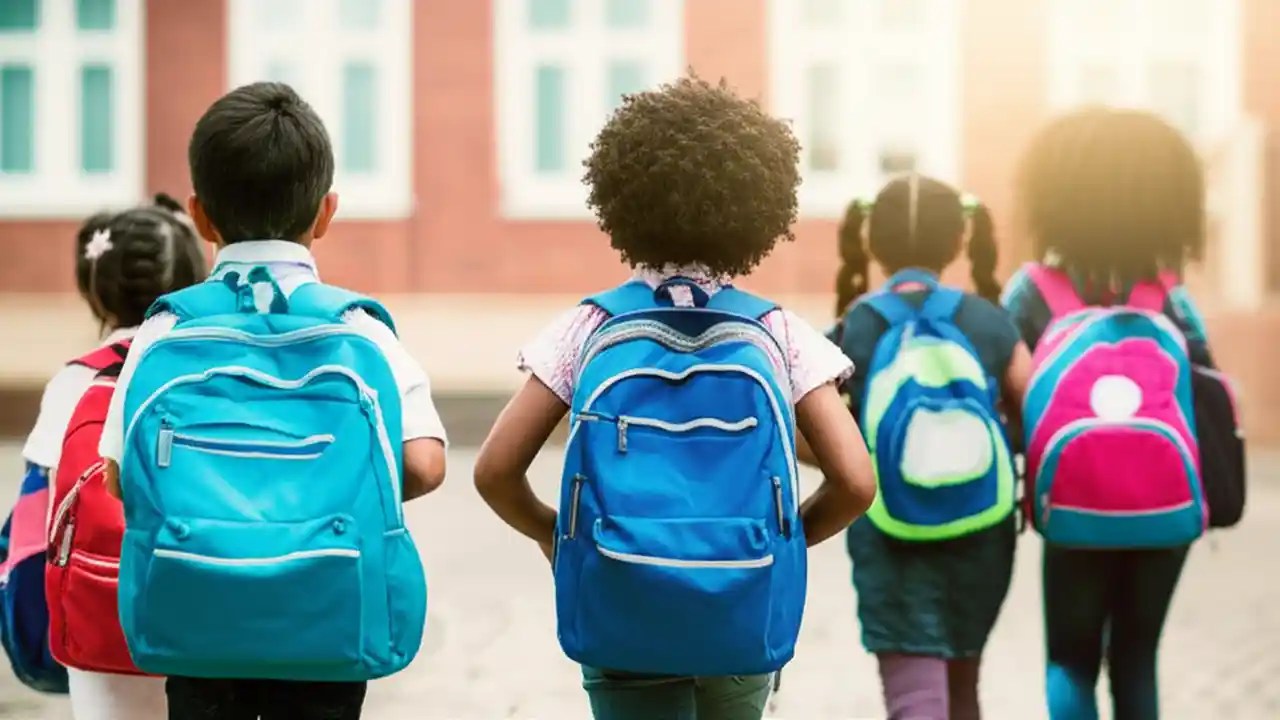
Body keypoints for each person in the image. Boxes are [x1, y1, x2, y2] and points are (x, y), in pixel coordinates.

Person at [473, 75, 877, 720]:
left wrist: (558, 536)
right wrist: (783, 545)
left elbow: (495, 471)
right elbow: (855, 481)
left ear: (620, 203)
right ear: (761, 209)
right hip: (740, 603)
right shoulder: (777, 332)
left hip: (620, 593)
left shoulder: (589, 327)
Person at [96, 82, 448, 720]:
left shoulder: (164, 332)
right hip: (329, 619)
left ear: (200, 216)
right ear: (325, 212)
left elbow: (120, 476)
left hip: (197, 626)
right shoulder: (361, 331)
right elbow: (423, 465)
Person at [1001, 107, 1214, 720]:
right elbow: (1205, 388)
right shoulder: (1169, 294)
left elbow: (1007, 392)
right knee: (1137, 656)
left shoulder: (1033, 290)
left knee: (1070, 659)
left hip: (1073, 504)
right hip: (1164, 505)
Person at [819, 175, 1030, 720]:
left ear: (872, 243)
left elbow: (809, 429)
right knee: (964, 688)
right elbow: (1036, 413)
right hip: (982, 527)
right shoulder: (990, 320)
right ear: (959, 241)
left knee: (916, 697)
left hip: (889, 530)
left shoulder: (856, 325)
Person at [8, 195, 207, 717]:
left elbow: (40, 508)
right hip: (204, 607)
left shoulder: (74, 383)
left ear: (97, 294)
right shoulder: (207, 373)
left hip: (100, 618)